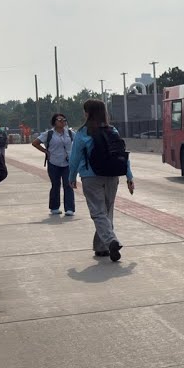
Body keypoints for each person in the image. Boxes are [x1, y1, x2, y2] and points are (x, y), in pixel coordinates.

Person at [68, 99, 135, 261]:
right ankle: (102, 248)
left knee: (98, 213)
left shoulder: (83, 133)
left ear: (88, 113)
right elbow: (122, 154)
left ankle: (111, 241)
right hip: (112, 176)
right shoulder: (113, 130)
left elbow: (75, 157)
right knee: (107, 212)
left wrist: (71, 177)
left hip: (91, 177)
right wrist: (129, 176)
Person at [31, 113, 76, 217]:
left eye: (64, 120)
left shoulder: (69, 133)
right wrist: (46, 152)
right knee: (55, 185)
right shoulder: (49, 134)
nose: (62, 122)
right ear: (54, 122)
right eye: (60, 120)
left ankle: (69, 208)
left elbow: (79, 141)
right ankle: (54, 207)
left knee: (68, 185)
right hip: (53, 162)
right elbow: (35, 143)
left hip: (67, 163)